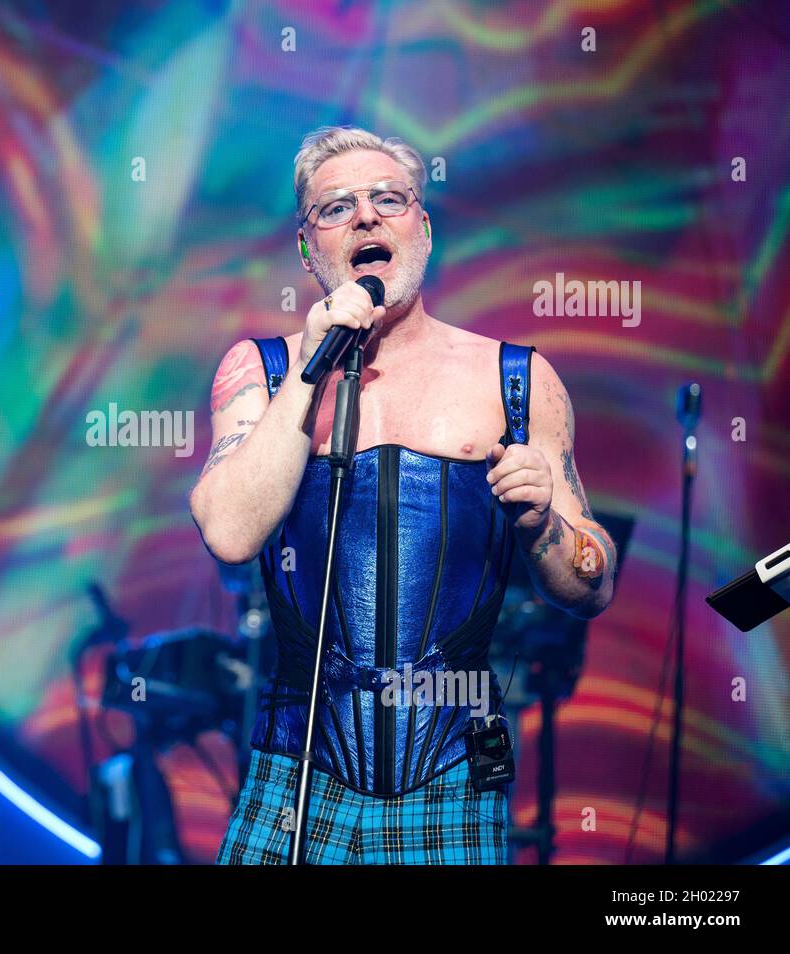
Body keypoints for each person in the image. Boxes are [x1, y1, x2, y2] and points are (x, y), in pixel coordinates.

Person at [189, 126, 619, 864]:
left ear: (422, 225)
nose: (365, 217)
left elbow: (592, 582)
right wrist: (311, 368)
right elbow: (230, 531)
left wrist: (544, 520)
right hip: (296, 775)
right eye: (336, 207)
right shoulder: (261, 370)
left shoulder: (514, 380)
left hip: (449, 774)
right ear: (305, 248)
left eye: (388, 199)